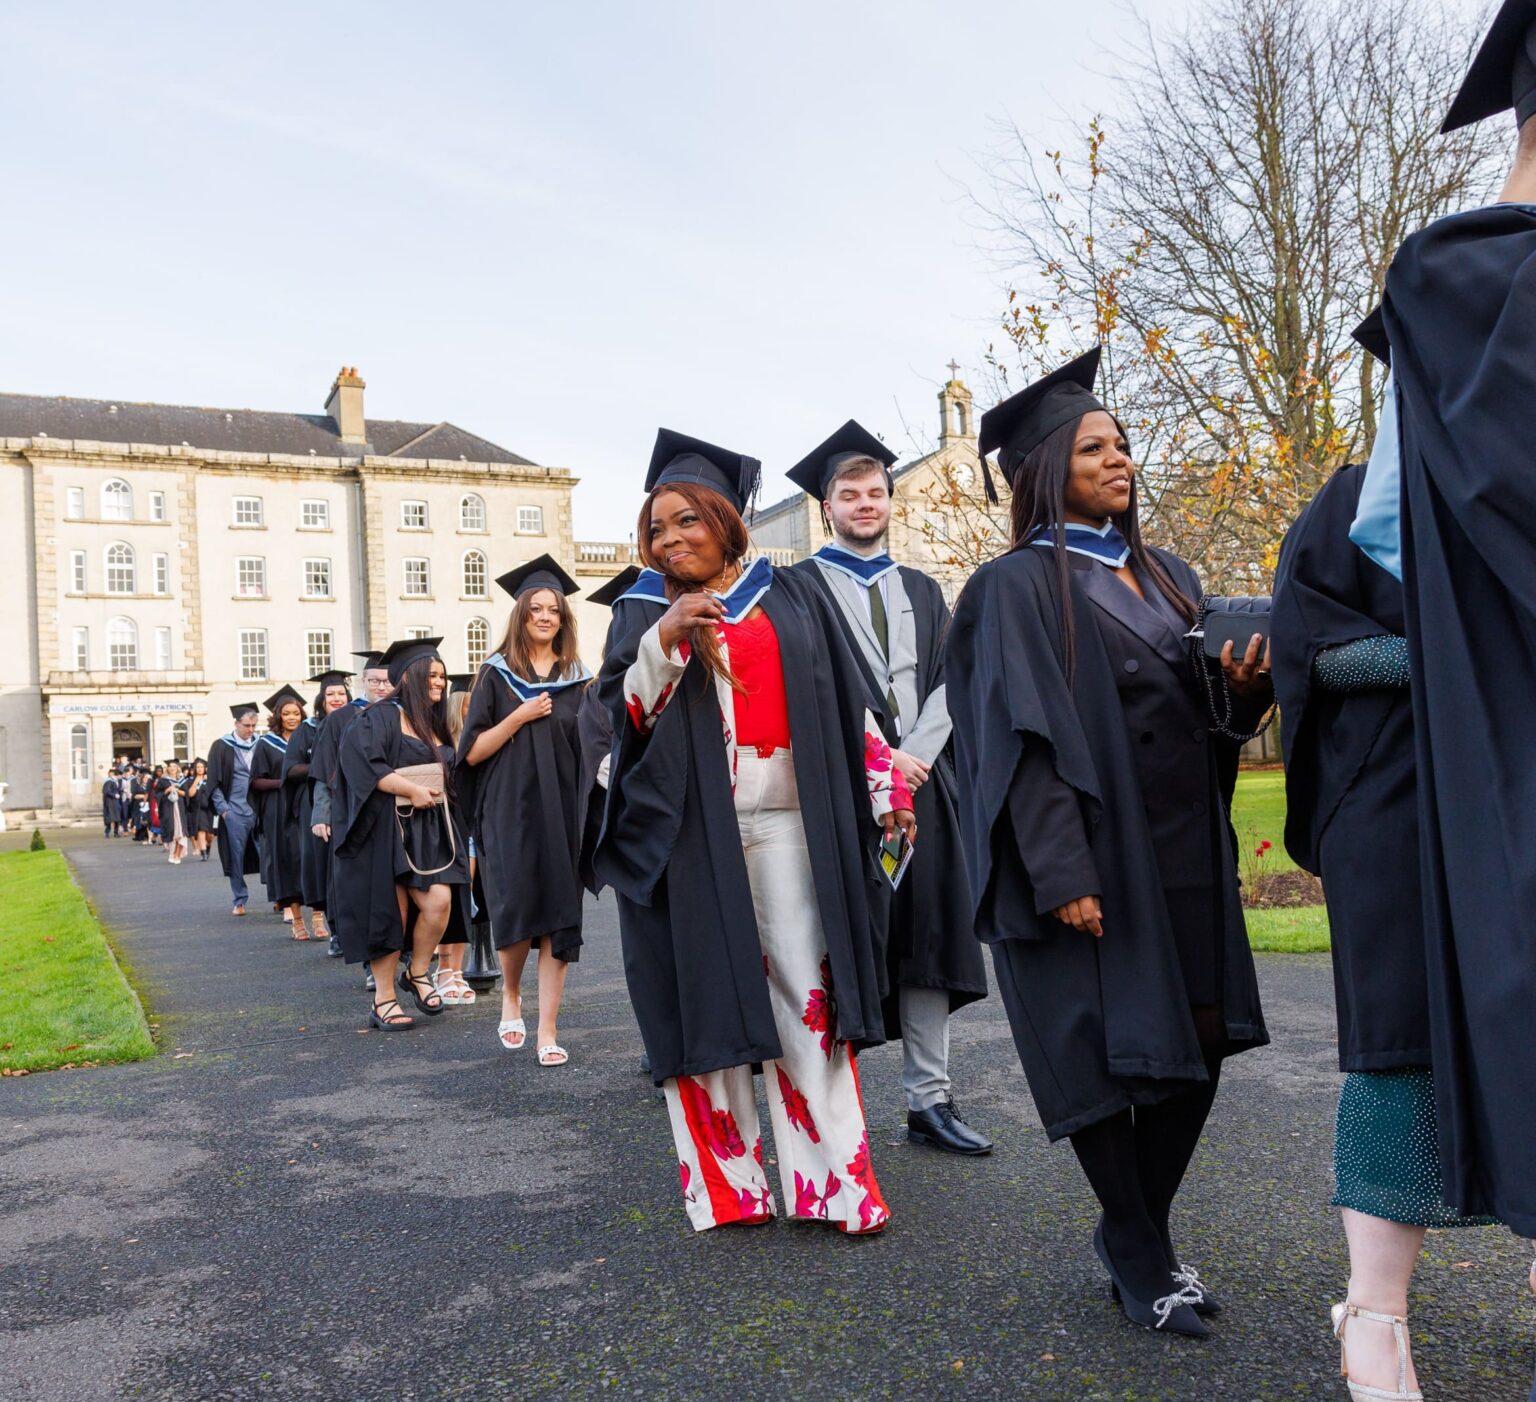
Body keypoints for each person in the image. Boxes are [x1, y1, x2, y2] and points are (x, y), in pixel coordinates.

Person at [945, 348, 1272, 1336]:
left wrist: (1244, 691)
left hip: (1185, 850)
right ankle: (1139, 1252)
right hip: (1092, 854)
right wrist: (1059, 868)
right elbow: (1017, 736)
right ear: (1046, 467)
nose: (1119, 457)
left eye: (1122, 443)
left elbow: (1209, 718)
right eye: (1094, 447)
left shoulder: (1169, 574)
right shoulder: (1012, 587)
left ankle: (1135, 1231)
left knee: (1200, 1041)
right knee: (1104, 1057)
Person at [594, 429, 913, 1234]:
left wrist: (885, 787)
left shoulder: (794, 594)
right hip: (690, 830)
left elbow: (847, 701)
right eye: (656, 528)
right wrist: (664, 641)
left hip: (791, 819)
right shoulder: (645, 608)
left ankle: (834, 1185)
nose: (670, 539)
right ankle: (729, 1187)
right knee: (708, 998)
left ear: (726, 520)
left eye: (687, 521)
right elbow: (618, 722)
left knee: (808, 996)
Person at [1273, 360, 1499, 1398]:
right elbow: (1312, 650)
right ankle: (1373, 1318)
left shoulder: (1509, 487)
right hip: (1394, 805)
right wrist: (1451, 658)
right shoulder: (1352, 499)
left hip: (1506, 808)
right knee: (1399, 1047)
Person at [787, 420, 992, 1155]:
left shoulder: (922, 588)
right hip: (842, 789)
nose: (865, 503)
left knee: (926, 935)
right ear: (827, 507)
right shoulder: (799, 589)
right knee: (834, 938)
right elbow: (811, 688)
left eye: (875, 492)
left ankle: (928, 1101)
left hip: (923, 787)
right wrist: (880, 760)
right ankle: (829, 1110)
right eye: (850, 495)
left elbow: (950, 678)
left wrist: (915, 759)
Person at [458, 555, 592, 1064]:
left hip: (561, 811)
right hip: (508, 809)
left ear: (563, 618)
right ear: (521, 615)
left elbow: (592, 746)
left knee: (559, 917)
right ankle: (510, 996)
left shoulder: (578, 679)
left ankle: (547, 1030)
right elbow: (472, 753)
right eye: (536, 608)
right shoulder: (496, 676)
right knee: (515, 908)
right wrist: (518, 715)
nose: (545, 616)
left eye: (553, 610)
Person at [332, 638, 471, 1029]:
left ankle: (418, 971)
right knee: (391, 913)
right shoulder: (378, 718)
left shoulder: (433, 722)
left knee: (439, 902)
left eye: (442, 676)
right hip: (385, 828)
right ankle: (384, 998)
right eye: (432, 675)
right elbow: (365, 765)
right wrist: (410, 789)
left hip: (431, 830)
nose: (439, 682)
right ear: (409, 677)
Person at [311, 651, 392, 962]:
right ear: (363, 681)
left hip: (391, 810)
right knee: (351, 881)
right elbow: (323, 770)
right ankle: (344, 936)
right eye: (374, 681)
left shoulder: (401, 714)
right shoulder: (340, 718)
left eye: (387, 681)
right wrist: (322, 814)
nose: (381, 687)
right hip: (349, 809)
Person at [283, 671, 352, 949]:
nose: (336, 698)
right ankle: (333, 929)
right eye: (330, 694)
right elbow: (290, 769)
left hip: (351, 801)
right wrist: (323, 766)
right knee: (325, 867)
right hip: (317, 803)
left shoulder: (358, 722)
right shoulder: (307, 730)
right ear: (321, 699)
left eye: (341, 694)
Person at [434, 673, 480, 1006]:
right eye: (470, 705)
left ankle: (458, 970)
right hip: (444, 829)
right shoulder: (438, 744)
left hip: (473, 830)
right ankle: (442, 969)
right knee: (445, 900)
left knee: (465, 897)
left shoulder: (479, 741)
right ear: (456, 706)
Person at [251, 686, 309, 938]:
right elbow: (255, 781)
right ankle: (293, 913)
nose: (292, 717)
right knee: (285, 859)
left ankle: (318, 915)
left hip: (306, 802)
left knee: (310, 857)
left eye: (296, 713)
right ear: (278, 716)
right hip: (278, 807)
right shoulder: (266, 744)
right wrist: (285, 781)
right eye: (287, 713)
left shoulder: (310, 739)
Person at [208, 703, 264, 916]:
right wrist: (224, 810)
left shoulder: (261, 744)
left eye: (254, 726)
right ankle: (240, 899)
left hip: (259, 809)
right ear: (236, 724)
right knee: (236, 856)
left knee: (269, 854)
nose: (251, 730)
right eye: (247, 725)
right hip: (235, 810)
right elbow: (214, 781)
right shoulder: (221, 746)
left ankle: (280, 897)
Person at [157, 759, 190, 863]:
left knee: (181, 831)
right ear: (167, 768)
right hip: (168, 808)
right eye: (170, 766)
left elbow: (186, 794)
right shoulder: (163, 780)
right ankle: (172, 853)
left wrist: (177, 790)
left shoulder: (182, 780)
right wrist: (168, 789)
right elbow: (158, 794)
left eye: (174, 766)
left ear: (177, 768)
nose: (172, 768)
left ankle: (177, 854)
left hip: (180, 808)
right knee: (172, 830)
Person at [186, 758, 216, 861]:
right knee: (201, 830)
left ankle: (208, 846)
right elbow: (190, 794)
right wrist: (196, 781)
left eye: (202, 767)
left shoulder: (210, 780)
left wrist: (207, 780)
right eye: (197, 767)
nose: (199, 769)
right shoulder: (190, 780)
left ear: (205, 768)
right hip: (198, 809)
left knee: (210, 835)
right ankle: (203, 853)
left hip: (210, 809)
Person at [101, 769, 121, 838]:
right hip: (110, 802)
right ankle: (107, 832)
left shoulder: (116, 781)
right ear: (117, 775)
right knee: (109, 818)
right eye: (119, 775)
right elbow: (106, 791)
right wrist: (114, 795)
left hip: (116, 801)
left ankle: (116, 832)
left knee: (117, 817)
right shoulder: (108, 781)